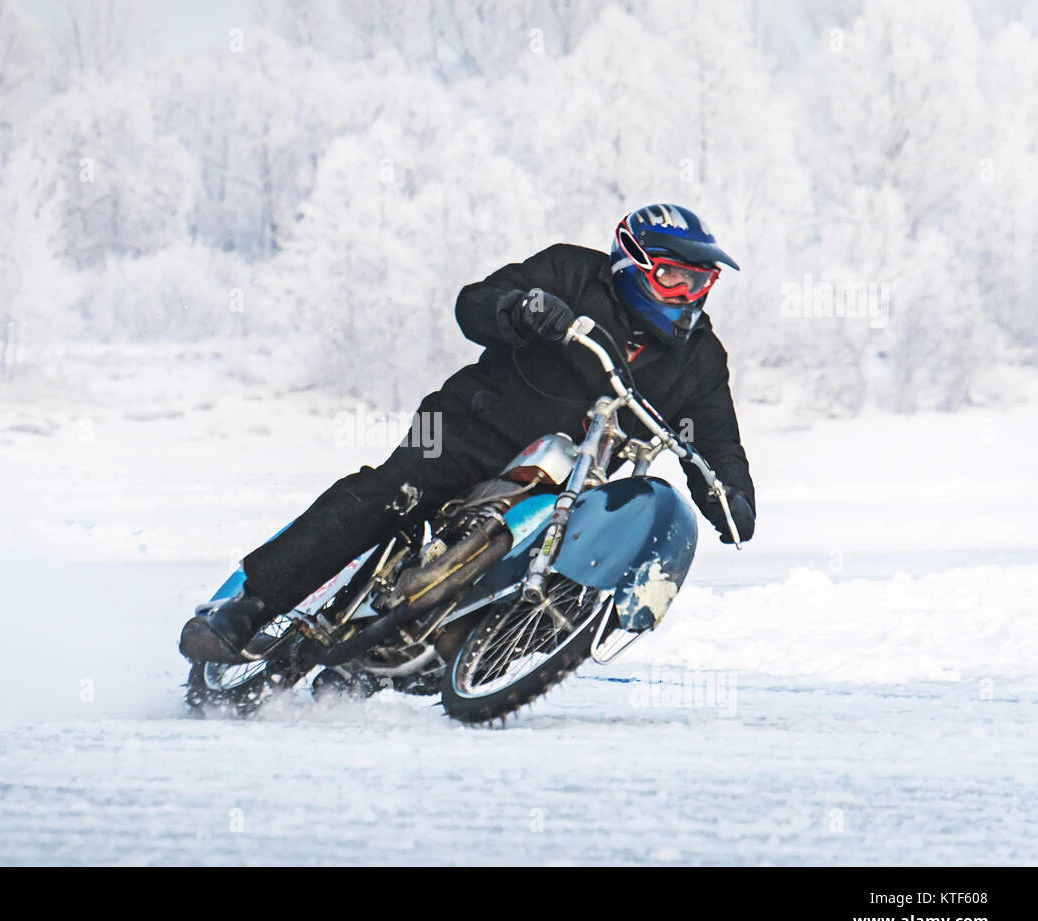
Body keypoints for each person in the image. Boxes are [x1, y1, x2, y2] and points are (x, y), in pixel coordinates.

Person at [180, 203, 756, 664]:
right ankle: (246, 609)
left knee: (574, 572)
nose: (688, 296)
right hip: (466, 423)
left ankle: (468, 654)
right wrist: (519, 309)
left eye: (699, 284)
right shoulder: (569, 271)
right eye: (674, 279)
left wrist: (731, 497)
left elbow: (716, 440)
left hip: (567, 477)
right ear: (633, 267)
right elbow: (472, 304)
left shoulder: (700, 359)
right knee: (390, 492)